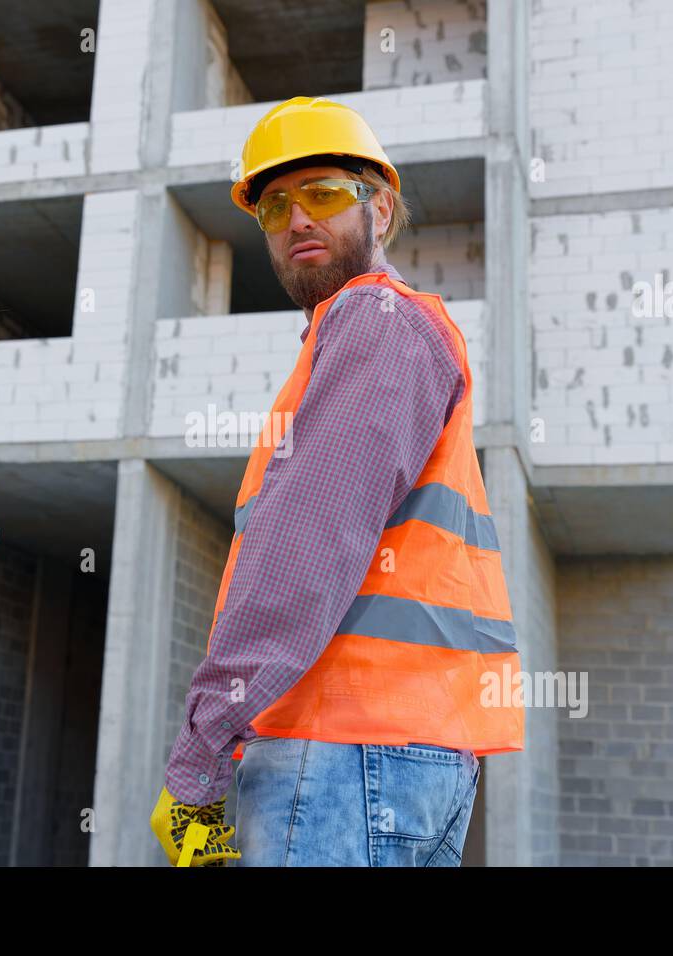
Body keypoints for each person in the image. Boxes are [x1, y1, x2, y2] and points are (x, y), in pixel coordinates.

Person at [151, 97, 524, 867]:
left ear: (379, 207)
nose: (295, 220)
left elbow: (304, 551)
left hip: (340, 754)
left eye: (322, 193)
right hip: (404, 758)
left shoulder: (374, 320)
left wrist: (201, 750)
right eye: (275, 205)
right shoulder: (365, 336)